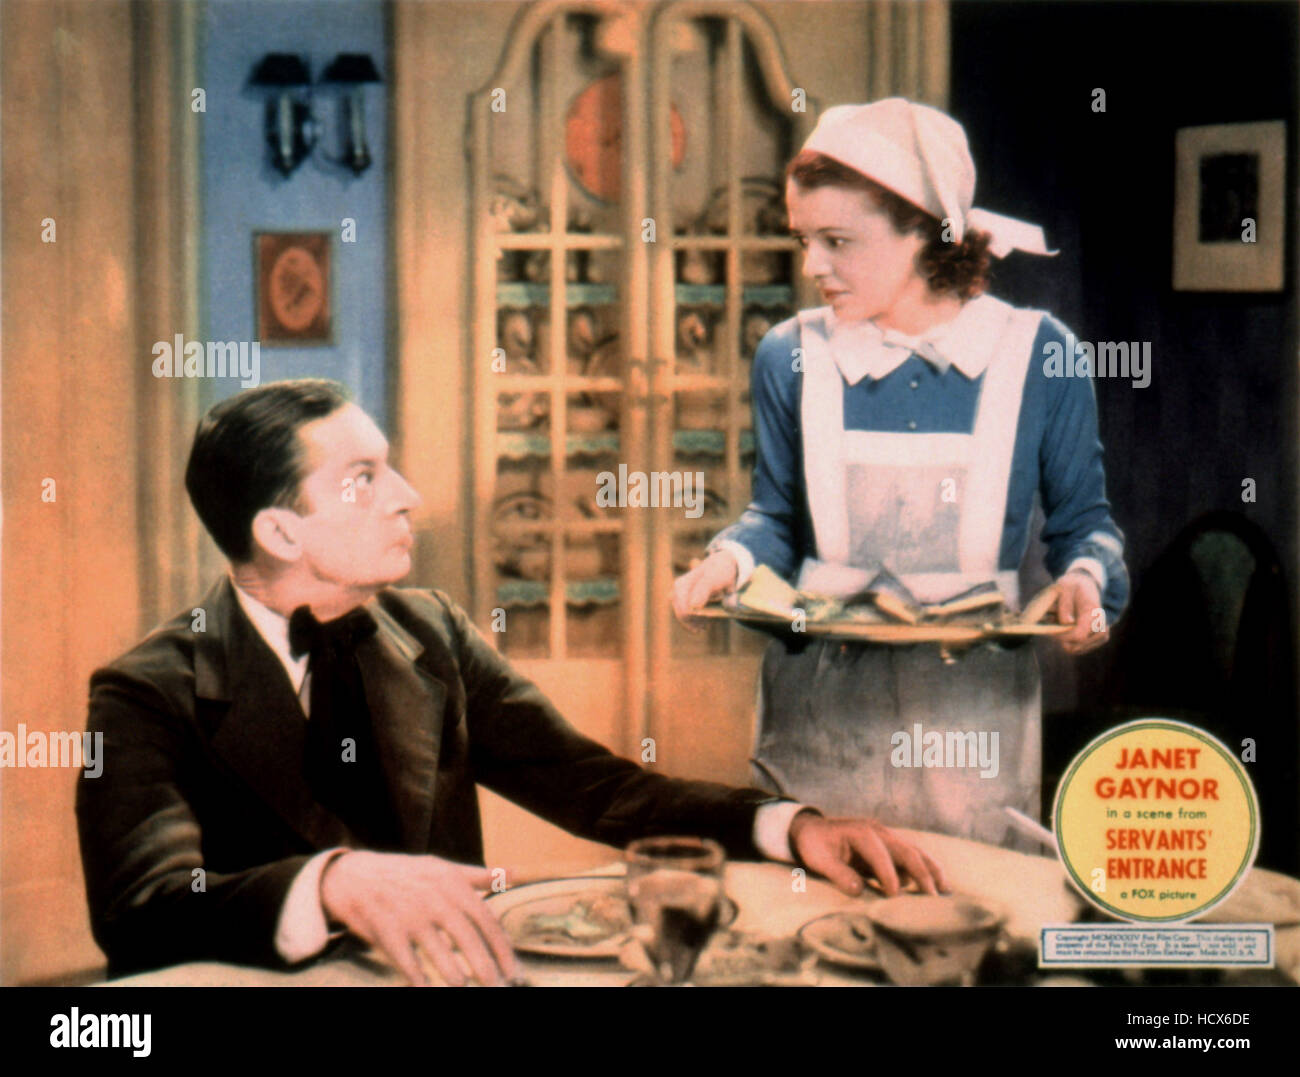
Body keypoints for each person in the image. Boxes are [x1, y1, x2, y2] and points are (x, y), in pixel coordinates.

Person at [76, 378, 946, 986]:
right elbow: (144, 913)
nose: (408, 495)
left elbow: (597, 788)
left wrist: (789, 827)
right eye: (365, 478)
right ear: (279, 530)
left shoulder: (431, 633)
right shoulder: (144, 692)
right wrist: (333, 882)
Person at [672, 98, 1129, 850]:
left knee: (969, 931)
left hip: (970, 724)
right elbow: (777, 517)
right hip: (822, 720)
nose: (812, 264)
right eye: (805, 239)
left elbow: (1088, 526)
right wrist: (732, 560)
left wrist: (1084, 582)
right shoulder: (788, 357)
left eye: (838, 240)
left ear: (925, 228)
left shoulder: (1040, 353)